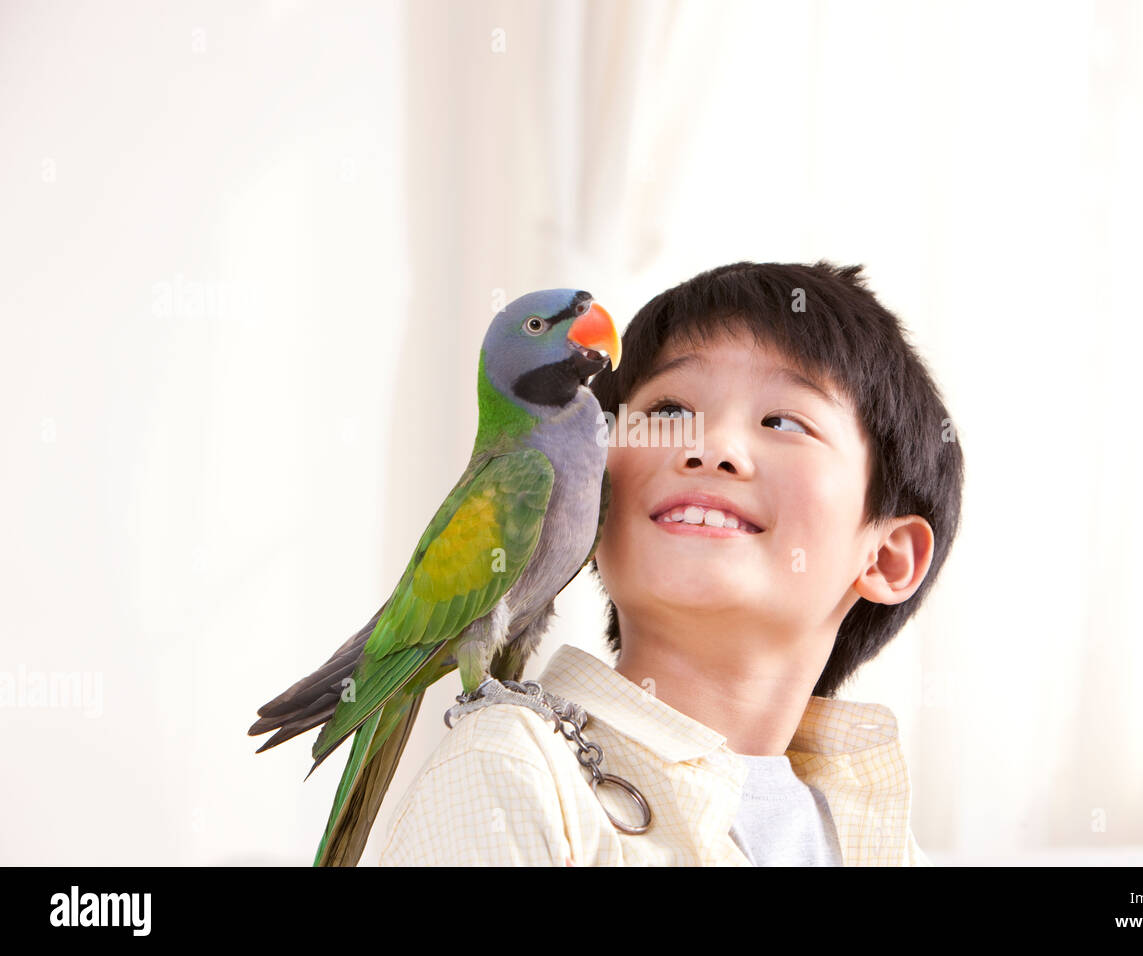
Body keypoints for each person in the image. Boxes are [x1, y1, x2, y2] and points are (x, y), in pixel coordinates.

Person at [378, 260, 964, 866]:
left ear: (887, 557)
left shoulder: (883, 842)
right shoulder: (506, 770)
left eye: (783, 421)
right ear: (593, 488)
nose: (710, 449)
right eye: (667, 413)